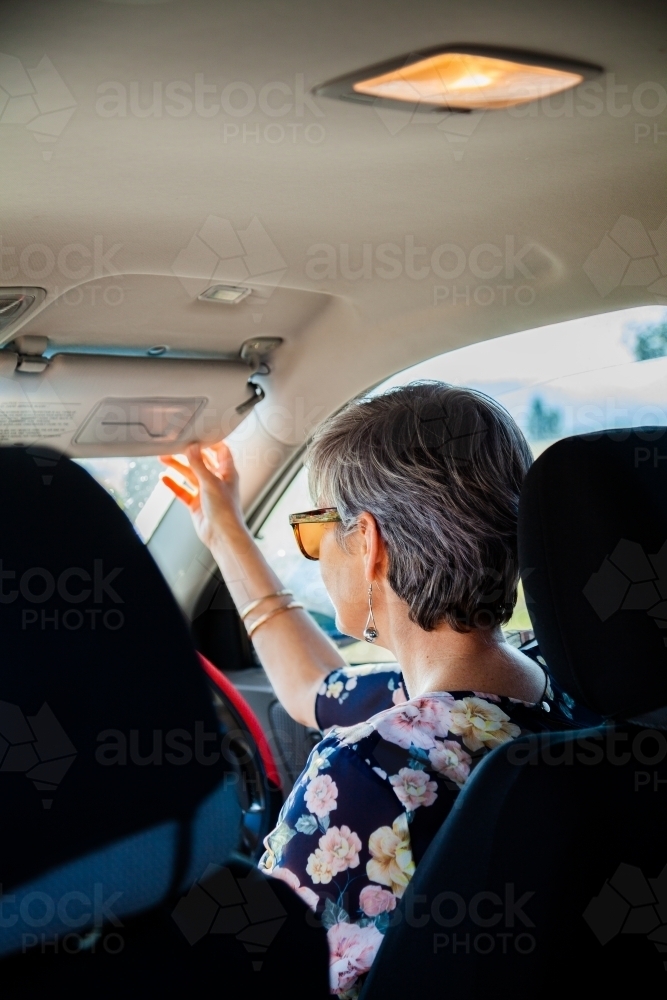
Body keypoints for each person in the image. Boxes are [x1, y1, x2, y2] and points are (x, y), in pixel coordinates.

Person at [161, 382, 591, 997]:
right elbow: (314, 687)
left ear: (367, 543)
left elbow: (249, 973)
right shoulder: (564, 679)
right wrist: (223, 527)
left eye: (315, 530)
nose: (314, 555)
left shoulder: (371, 770)